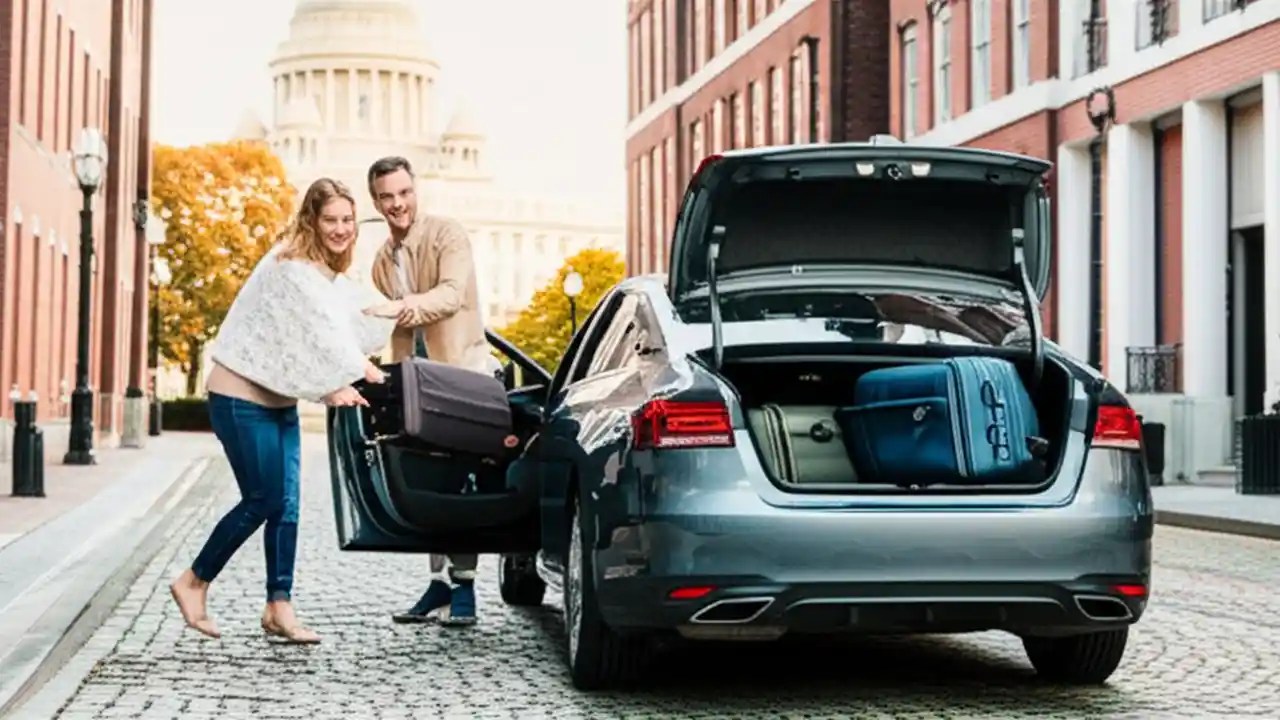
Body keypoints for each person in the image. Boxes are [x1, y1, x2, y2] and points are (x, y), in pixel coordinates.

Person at [168, 178, 395, 644]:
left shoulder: (321, 272)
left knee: (287, 506)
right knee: (264, 500)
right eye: (329, 220)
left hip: (277, 403)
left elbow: (345, 316)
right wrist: (349, 377)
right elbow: (311, 336)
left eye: (347, 220)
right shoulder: (290, 267)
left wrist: (402, 310)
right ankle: (193, 581)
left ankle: (279, 606)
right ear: (311, 220)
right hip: (240, 401)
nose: (340, 229)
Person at [364, 155, 491, 627]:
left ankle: (465, 588)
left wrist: (400, 308)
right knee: (428, 481)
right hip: (413, 385)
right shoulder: (382, 260)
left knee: (459, 485)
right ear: (375, 201)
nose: (398, 204)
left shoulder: (446, 235)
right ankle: (437, 584)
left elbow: (452, 295)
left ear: (415, 190)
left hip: (459, 377)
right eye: (387, 197)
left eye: (404, 193)